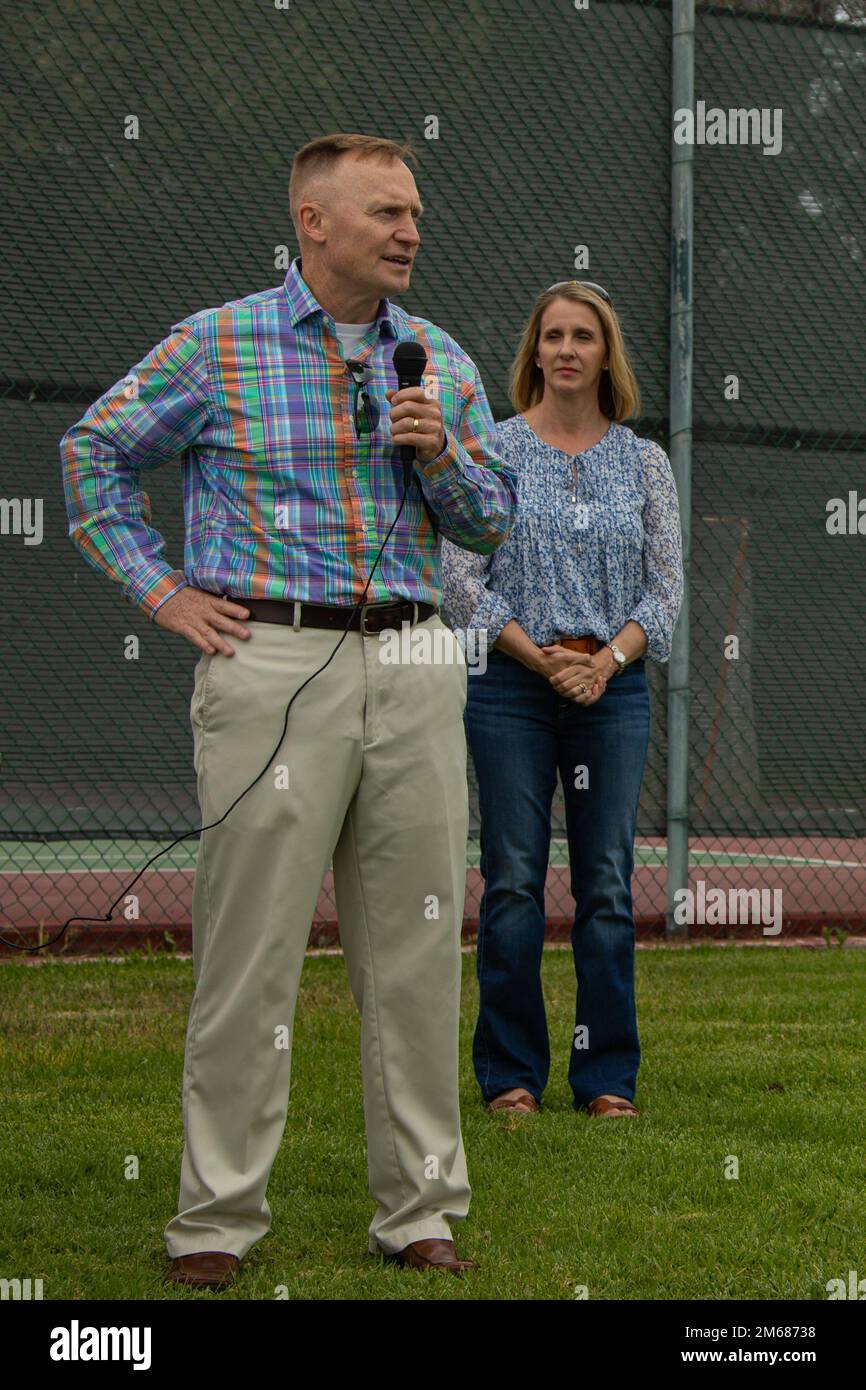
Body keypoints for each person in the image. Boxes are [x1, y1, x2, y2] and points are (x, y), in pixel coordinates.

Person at [60, 132, 518, 1288]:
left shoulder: (438, 358)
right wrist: (163, 593)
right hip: (268, 660)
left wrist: (444, 456)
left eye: (413, 211)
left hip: (414, 664)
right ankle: (214, 1223)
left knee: (416, 953)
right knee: (248, 955)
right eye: (384, 212)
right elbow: (93, 453)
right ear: (313, 223)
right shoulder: (216, 343)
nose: (409, 230)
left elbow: (493, 520)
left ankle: (419, 1210)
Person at [441, 279, 683, 1121]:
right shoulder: (492, 451)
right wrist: (540, 661)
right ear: (534, 351)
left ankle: (606, 1078)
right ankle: (511, 1075)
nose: (569, 350)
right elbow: (460, 582)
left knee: (606, 885)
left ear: (605, 352)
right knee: (512, 879)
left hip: (611, 690)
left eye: (585, 336)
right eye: (554, 336)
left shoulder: (645, 462)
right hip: (510, 686)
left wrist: (605, 662)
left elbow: (665, 591)